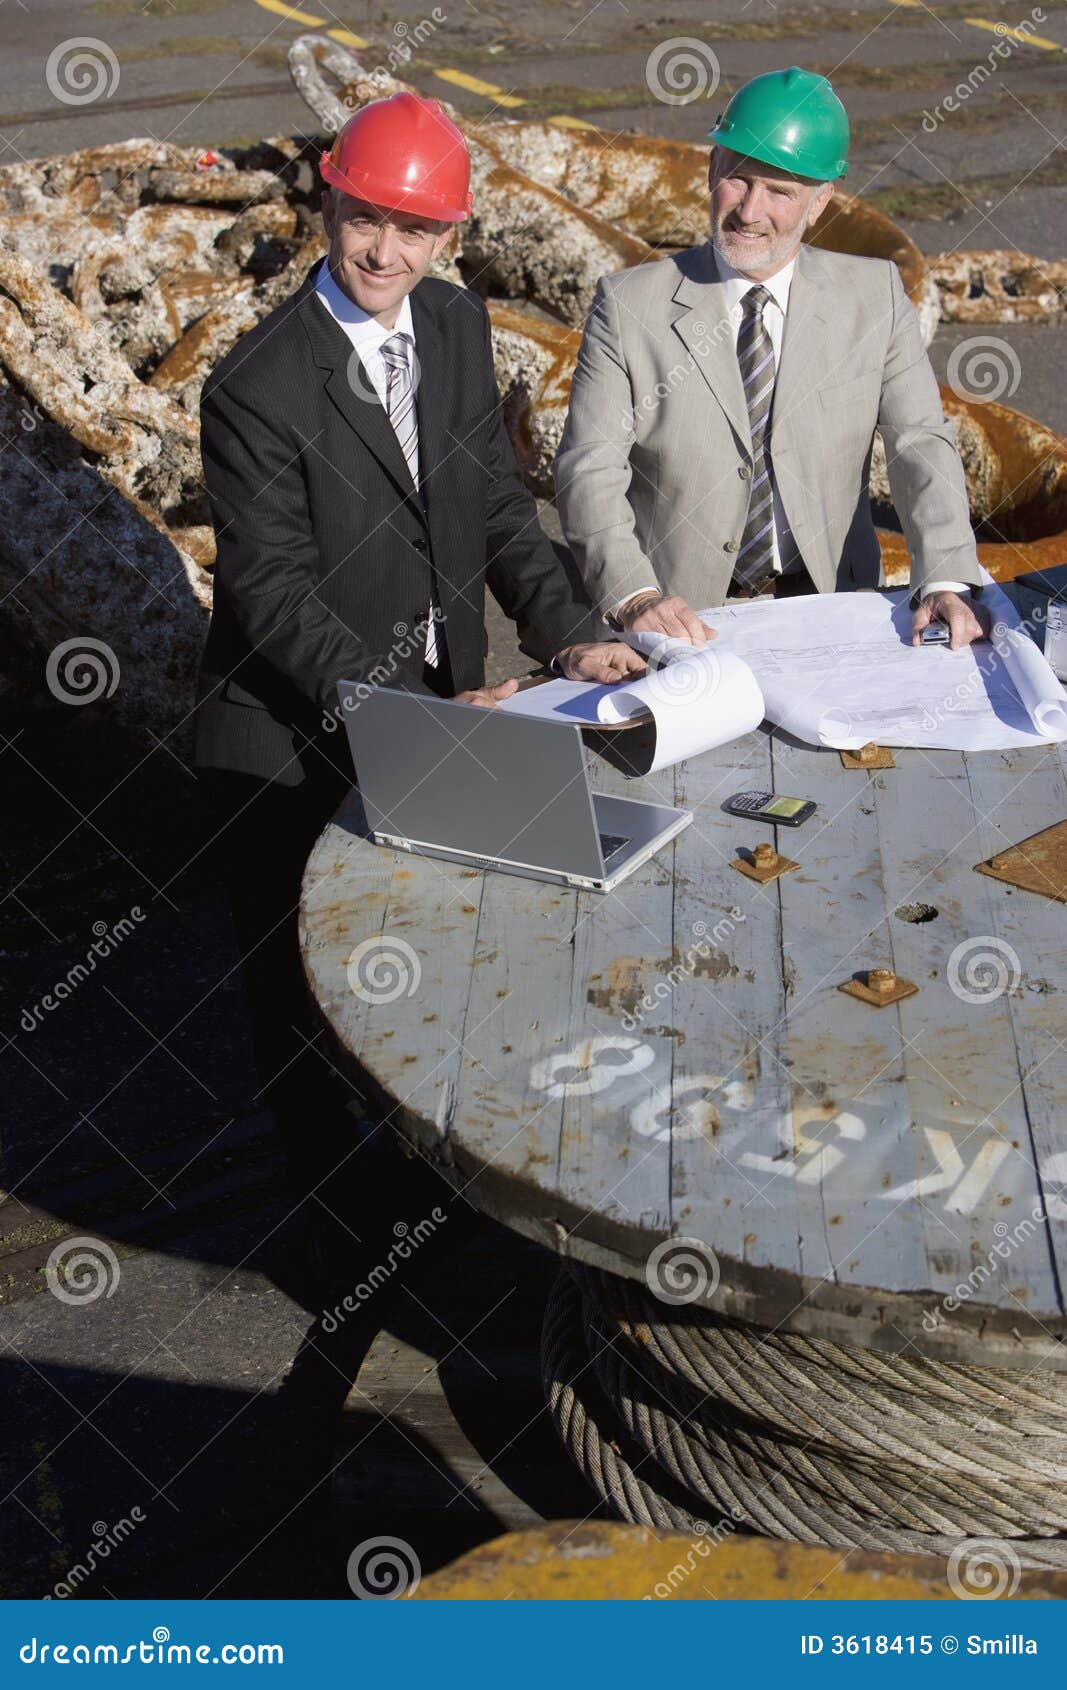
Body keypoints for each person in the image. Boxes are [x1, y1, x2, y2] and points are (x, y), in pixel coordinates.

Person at [192, 93, 640, 1203]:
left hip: (429, 707)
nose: (382, 250)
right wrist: (416, 714)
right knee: (302, 1000)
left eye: (412, 229)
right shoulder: (255, 388)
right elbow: (271, 594)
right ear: (329, 206)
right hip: (285, 737)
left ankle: (425, 1192)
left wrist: (572, 635)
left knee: (421, 965)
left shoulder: (451, 326)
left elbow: (491, 505)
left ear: (450, 236)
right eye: (362, 219)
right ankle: (332, 1224)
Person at [554, 66, 988, 653]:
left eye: (780, 191)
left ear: (820, 202)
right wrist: (635, 596)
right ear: (712, 169)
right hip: (678, 621)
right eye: (738, 179)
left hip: (831, 607)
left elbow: (920, 442)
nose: (751, 211)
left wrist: (943, 577)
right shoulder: (629, 305)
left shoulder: (876, 297)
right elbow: (589, 469)